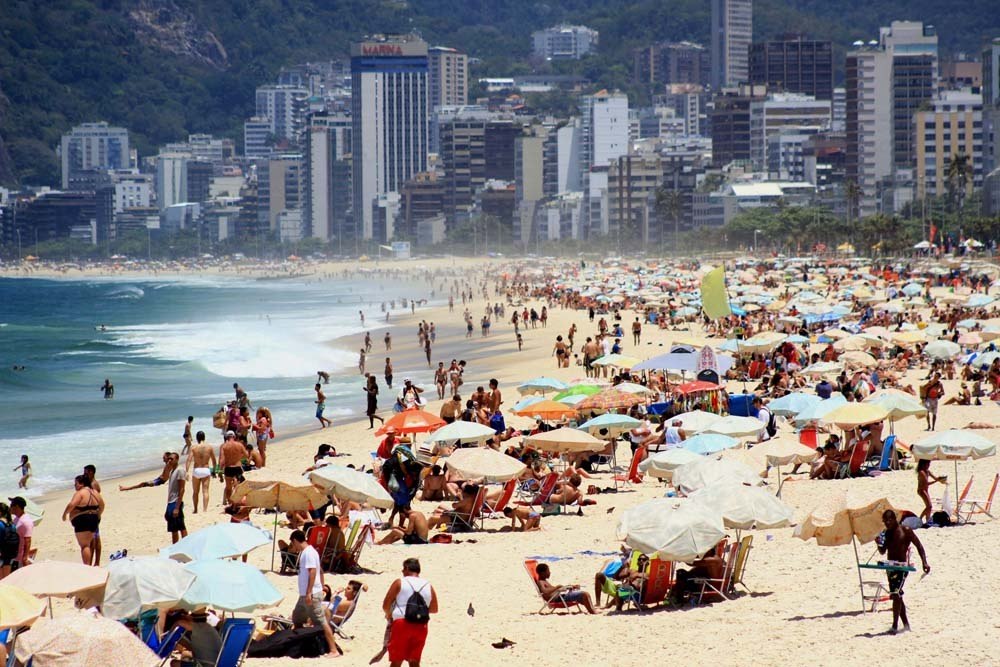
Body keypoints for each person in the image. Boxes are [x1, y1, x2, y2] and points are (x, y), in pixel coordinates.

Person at [876, 509, 930, 634]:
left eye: (889, 520)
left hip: (902, 568)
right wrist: (878, 543)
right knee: (897, 595)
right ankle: (906, 625)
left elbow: (919, 546)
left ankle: (894, 626)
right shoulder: (887, 533)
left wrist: (924, 562)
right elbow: (883, 551)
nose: (887, 523)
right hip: (890, 568)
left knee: (896, 594)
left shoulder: (906, 530)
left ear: (894, 519)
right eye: (885, 521)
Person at [288, 530, 340, 655]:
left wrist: (310, 592)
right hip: (305, 594)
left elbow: (312, 572)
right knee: (297, 619)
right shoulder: (308, 552)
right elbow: (320, 570)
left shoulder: (308, 553)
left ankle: (333, 650)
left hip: (310, 594)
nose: (293, 547)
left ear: (295, 540)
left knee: (321, 622)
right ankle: (301, 644)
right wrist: (321, 585)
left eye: (293, 544)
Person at [382, 558, 438, 667]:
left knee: (397, 661)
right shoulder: (428, 585)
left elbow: (386, 605)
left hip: (401, 624)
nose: (402, 571)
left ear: (407, 568)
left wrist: (389, 615)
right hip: (421, 625)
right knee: (414, 661)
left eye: (403, 569)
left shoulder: (400, 582)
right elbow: (434, 609)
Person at [61, 474, 104, 564]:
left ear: (82, 484)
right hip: (93, 520)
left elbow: (71, 504)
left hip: (83, 521)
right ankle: (91, 564)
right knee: (89, 543)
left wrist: (65, 514)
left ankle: (87, 566)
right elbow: (102, 505)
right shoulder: (95, 492)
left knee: (85, 546)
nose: (75, 486)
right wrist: (98, 515)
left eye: (76, 484)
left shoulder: (80, 493)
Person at [186, 431, 216, 514]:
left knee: (195, 492)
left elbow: (189, 460)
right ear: (204, 437)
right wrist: (214, 471)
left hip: (197, 470)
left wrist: (187, 471)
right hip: (206, 470)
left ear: (197, 438)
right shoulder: (209, 447)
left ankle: (195, 509)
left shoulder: (193, 447)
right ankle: (205, 509)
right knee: (205, 491)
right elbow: (214, 460)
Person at [164, 452, 188, 544]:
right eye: (169, 459)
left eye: (172, 459)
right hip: (171, 502)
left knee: (181, 526)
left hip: (176, 502)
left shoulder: (180, 470)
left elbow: (182, 489)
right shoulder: (172, 471)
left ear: (177, 459)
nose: (169, 460)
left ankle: (186, 544)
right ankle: (175, 546)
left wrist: (177, 507)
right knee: (173, 529)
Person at [82, 465, 103, 564]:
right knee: (95, 538)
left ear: (91, 472)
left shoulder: (93, 484)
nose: (84, 474)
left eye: (85, 472)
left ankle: (93, 562)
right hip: (94, 514)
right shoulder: (92, 483)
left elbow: (95, 500)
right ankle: (95, 562)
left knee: (93, 540)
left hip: (93, 514)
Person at [219, 431, 246, 503]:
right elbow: (246, 455)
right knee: (238, 487)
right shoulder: (239, 445)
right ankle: (237, 502)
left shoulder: (224, 446)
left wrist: (220, 471)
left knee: (228, 488)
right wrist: (238, 458)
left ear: (226, 437)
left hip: (228, 468)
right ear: (234, 436)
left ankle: (230, 502)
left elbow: (222, 460)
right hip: (237, 467)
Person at [9, 497, 34, 569]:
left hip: (19, 559)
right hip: (13, 556)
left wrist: (25, 557)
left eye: (11, 505)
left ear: (17, 506)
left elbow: (28, 540)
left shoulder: (25, 521)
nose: (10, 507)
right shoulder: (17, 518)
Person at [0, 503, 17, 579]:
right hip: (10, 555)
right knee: (6, 579)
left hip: (1, 555)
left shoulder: (0, 524)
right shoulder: (12, 524)